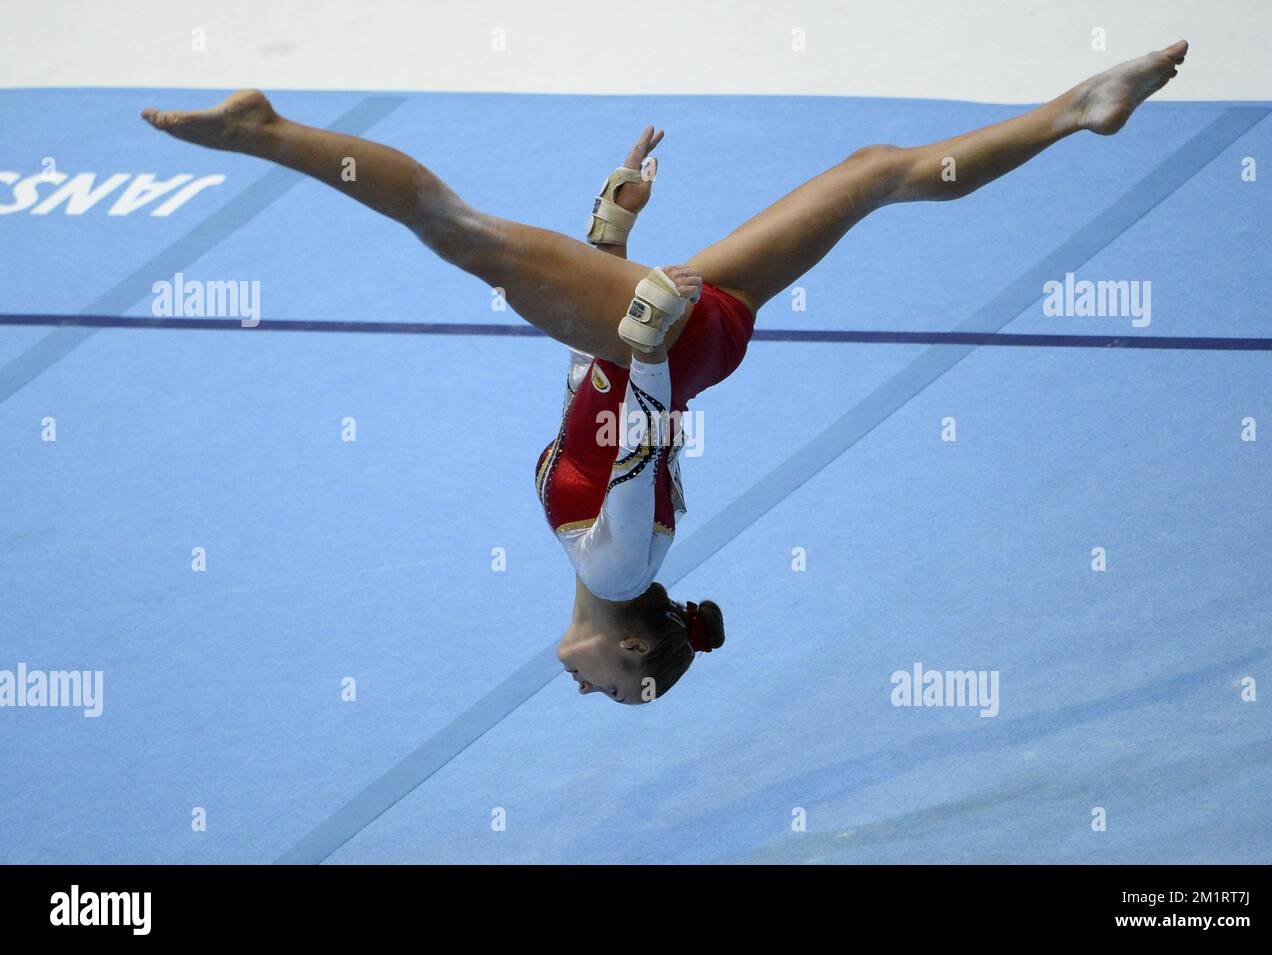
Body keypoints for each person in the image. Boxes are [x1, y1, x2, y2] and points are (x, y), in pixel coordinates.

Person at [142, 41, 1189, 703]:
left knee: (875, 175)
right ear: (633, 652)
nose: (585, 688)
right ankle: (264, 131)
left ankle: (1073, 110)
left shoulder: (606, 566)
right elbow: (641, 443)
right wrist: (642, 335)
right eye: (609, 692)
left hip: (687, 344)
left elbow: (584, 406)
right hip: (663, 349)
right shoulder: (616, 573)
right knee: (455, 229)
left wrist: (608, 237)